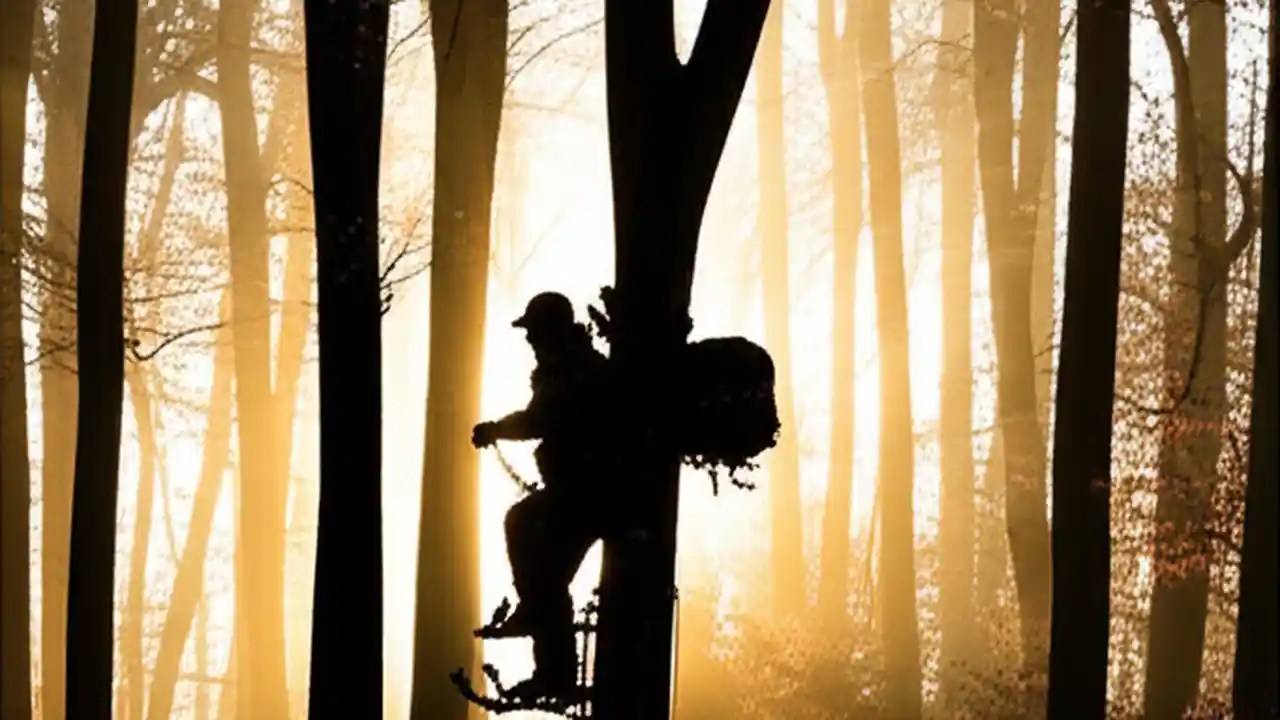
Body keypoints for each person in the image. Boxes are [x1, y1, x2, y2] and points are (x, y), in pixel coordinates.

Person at [471, 291, 611, 701]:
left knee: (528, 539)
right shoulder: (574, 364)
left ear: (550, 331)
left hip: (587, 493)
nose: (530, 339)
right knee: (547, 575)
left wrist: (496, 429)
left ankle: (552, 663)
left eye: (533, 331)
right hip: (589, 491)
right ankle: (552, 666)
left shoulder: (568, 369)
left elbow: (542, 418)